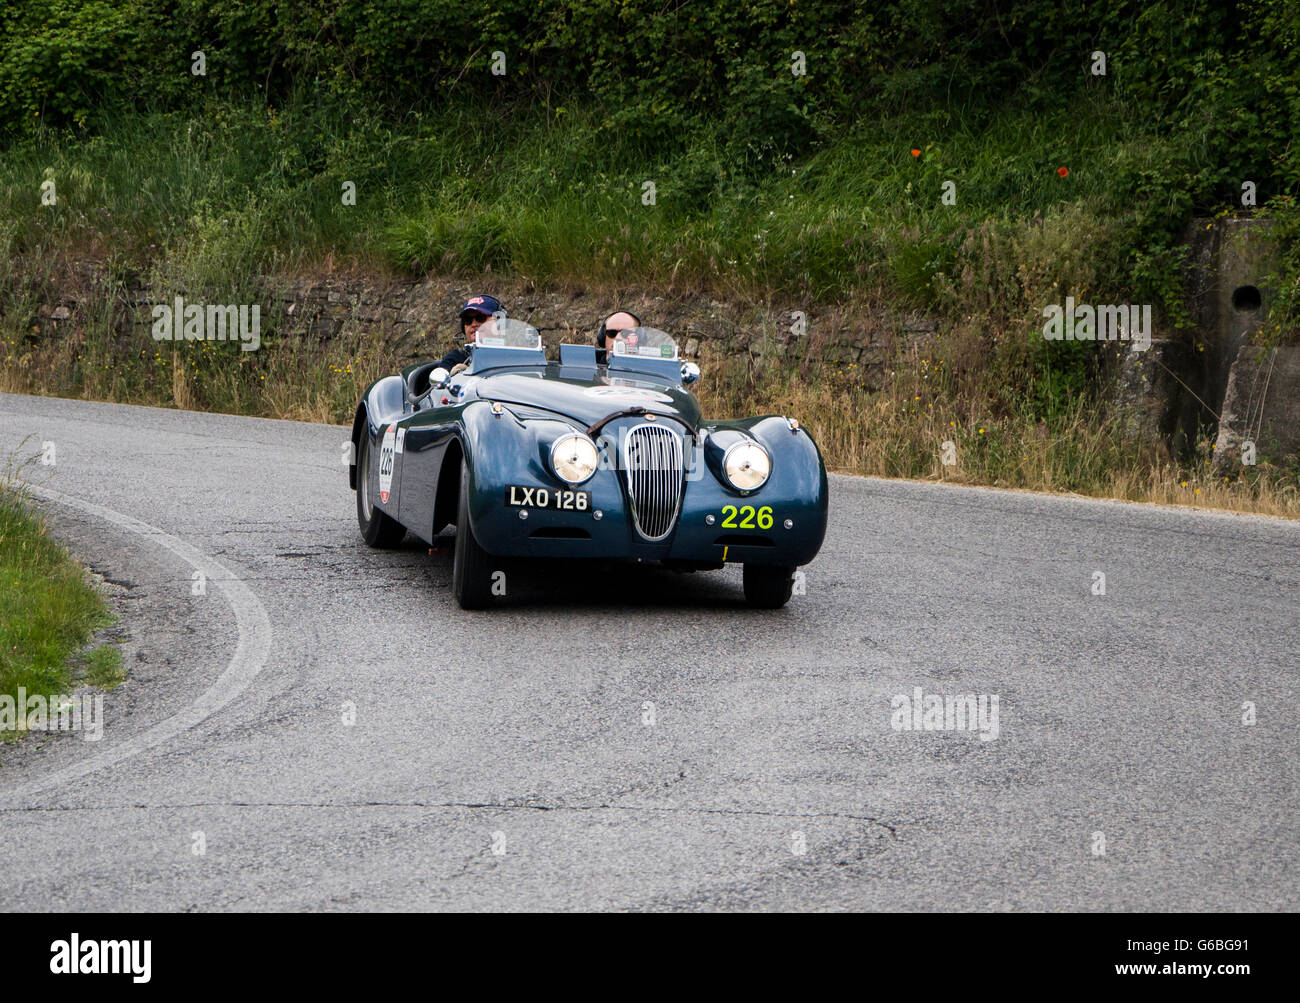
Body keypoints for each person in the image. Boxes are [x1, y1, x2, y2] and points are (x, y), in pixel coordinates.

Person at [434, 294, 506, 376]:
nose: (474, 324)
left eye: (480, 318)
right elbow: (435, 386)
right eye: (468, 320)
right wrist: (452, 376)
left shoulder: (514, 356)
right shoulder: (454, 359)